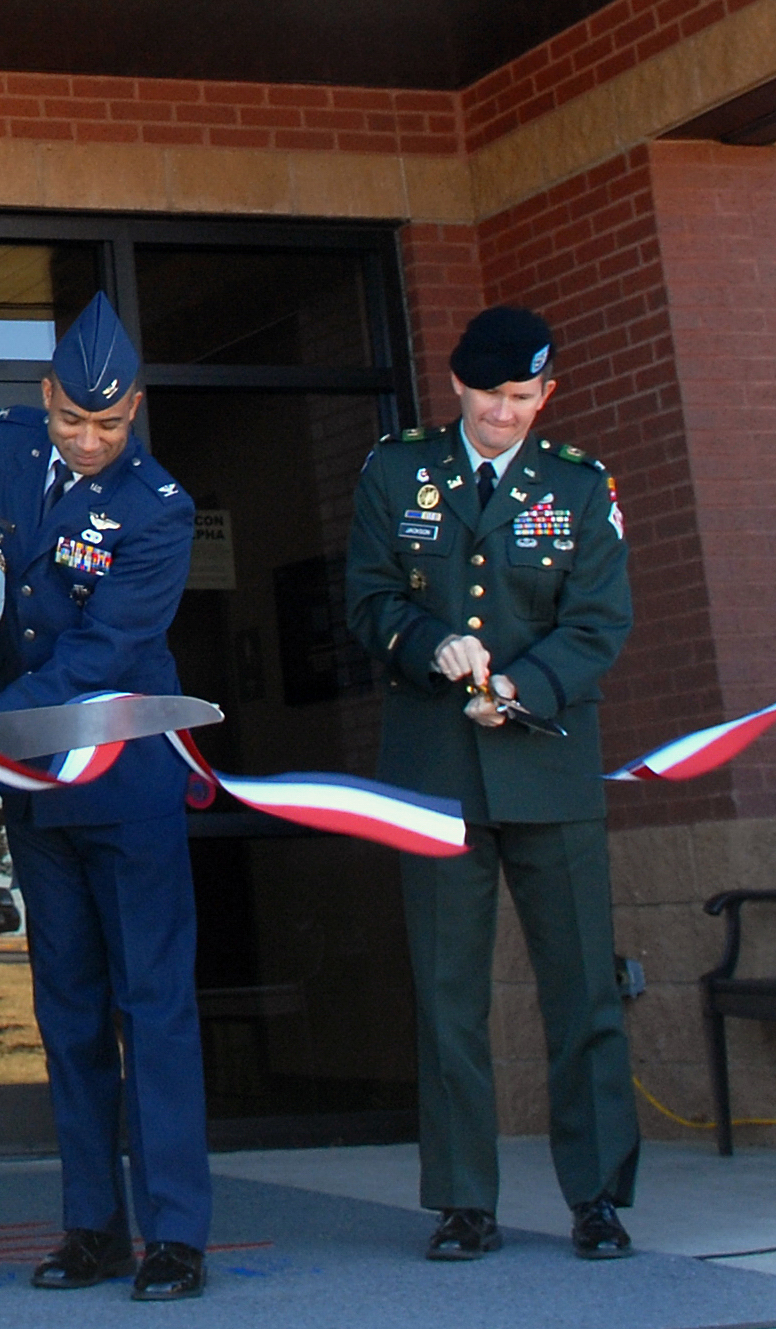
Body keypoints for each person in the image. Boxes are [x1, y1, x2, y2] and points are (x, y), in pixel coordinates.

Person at [0, 292, 211, 1301]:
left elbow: (95, 659)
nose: (84, 442)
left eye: (107, 426)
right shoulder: (10, 446)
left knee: (150, 1006)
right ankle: (91, 1228)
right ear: (43, 398)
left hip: (123, 783)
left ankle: (174, 1236)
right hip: (35, 790)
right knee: (65, 1007)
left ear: (136, 412)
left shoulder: (159, 509)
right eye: (70, 420)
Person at [345, 306, 638, 1261]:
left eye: (523, 397)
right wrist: (434, 646)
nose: (504, 414)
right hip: (434, 773)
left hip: (546, 766)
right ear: (456, 385)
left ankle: (596, 1197)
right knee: (446, 993)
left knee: (584, 988)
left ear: (544, 393)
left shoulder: (578, 486)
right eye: (488, 395)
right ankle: (463, 1201)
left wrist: (518, 685)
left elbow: (598, 622)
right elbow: (368, 596)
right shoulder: (396, 470)